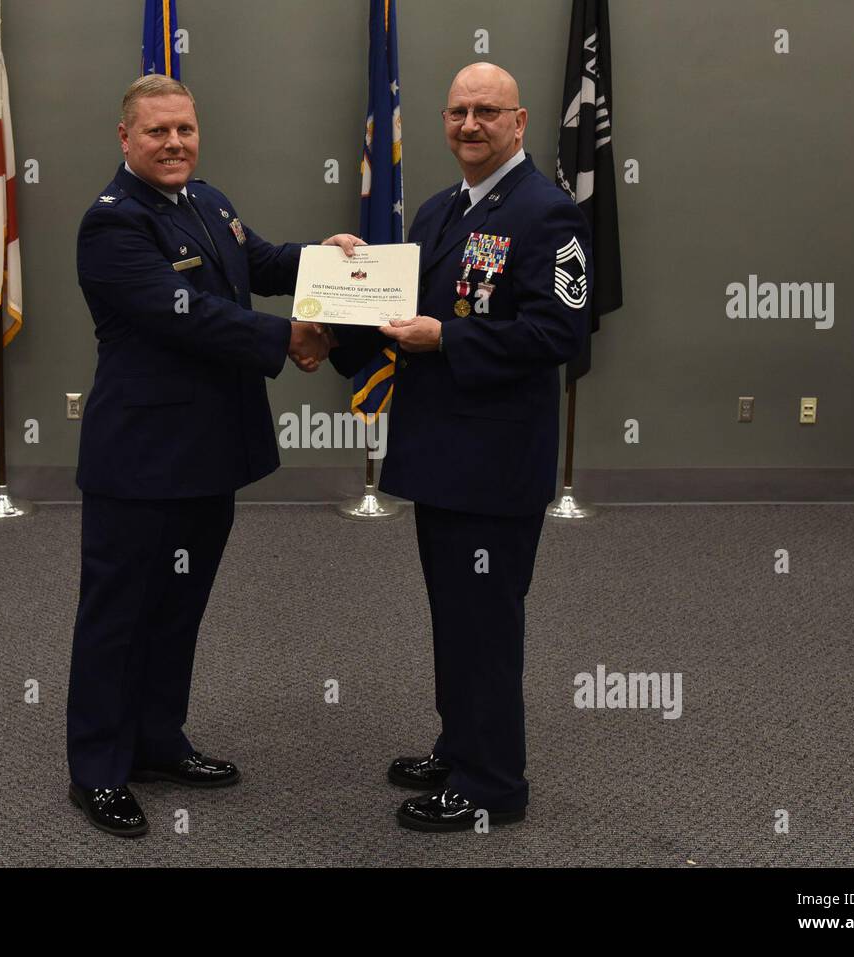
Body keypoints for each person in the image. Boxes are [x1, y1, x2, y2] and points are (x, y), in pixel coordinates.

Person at [68, 73, 358, 838]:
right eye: (157, 131)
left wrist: (327, 260)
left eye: (185, 129)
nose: (174, 143)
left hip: (207, 455)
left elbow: (259, 262)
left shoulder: (206, 200)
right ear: (125, 137)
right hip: (140, 461)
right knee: (117, 617)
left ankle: (158, 740)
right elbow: (184, 314)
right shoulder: (112, 224)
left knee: (178, 609)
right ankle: (97, 769)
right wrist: (286, 337)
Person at [329, 62, 593, 832]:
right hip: (443, 457)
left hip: (496, 466)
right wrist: (341, 291)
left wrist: (447, 337)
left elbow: (558, 332)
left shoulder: (548, 214)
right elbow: (400, 306)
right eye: (457, 112)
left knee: (485, 625)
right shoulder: (441, 209)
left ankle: (492, 784)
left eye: (487, 111)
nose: (470, 125)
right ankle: (460, 745)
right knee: (455, 615)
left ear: (519, 121)